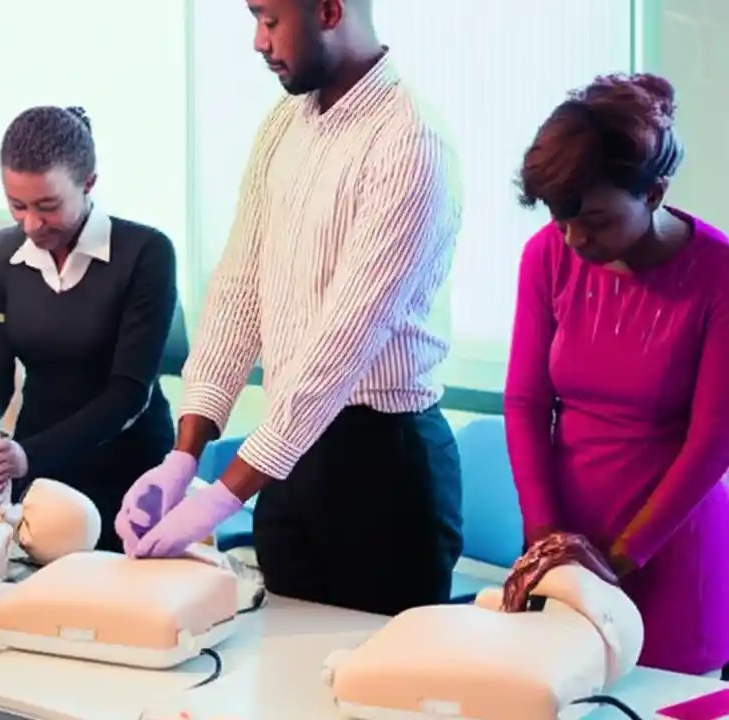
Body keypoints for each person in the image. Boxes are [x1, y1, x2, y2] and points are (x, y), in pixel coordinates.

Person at [116, 0, 464, 617]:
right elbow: (239, 288)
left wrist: (222, 497)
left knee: (376, 693)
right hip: (290, 457)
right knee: (278, 674)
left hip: (385, 464)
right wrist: (184, 454)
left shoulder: (410, 140)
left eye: (270, 20)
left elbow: (341, 345)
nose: (257, 41)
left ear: (330, 11)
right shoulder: (284, 122)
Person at [505, 72, 729, 676]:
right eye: (561, 219)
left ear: (654, 193)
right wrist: (549, 540)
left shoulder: (718, 274)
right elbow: (526, 402)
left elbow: (713, 443)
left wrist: (621, 560)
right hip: (563, 552)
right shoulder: (547, 256)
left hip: (673, 553)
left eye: (598, 221)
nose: (576, 239)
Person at [0, 106, 179, 552]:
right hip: (38, 471)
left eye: (48, 206)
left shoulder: (146, 253)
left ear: (88, 183)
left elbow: (129, 393)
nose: (31, 225)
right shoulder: (3, 257)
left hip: (127, 468)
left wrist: (28, 455)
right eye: (17, 206)